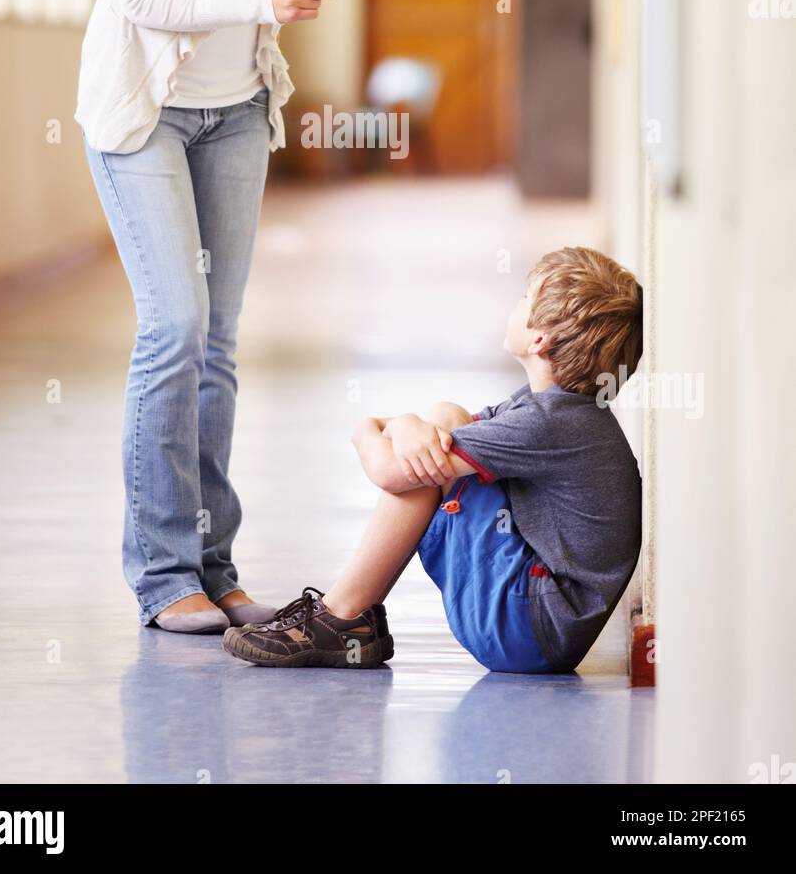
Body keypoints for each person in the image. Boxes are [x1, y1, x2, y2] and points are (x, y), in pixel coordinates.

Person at [75, 0, 374, 632]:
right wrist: (260, 1)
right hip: (144, 108)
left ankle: (213, 564)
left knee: (217, 344)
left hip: (238, 108)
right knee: (176, 324)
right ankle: (164, 577)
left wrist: (280, 1)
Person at [223, 245, 643, 671]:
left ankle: (342, 616)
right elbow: (442, 432)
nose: (515, 304)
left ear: (539, 339)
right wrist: (406, 424)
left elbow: (391, 471)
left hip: (526, 630)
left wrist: (368, 427)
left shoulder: (549, 424)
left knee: (433, 455)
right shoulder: (554, 411)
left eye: (524, 298)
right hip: (541, 625)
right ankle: (349, 620)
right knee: (446, 420)